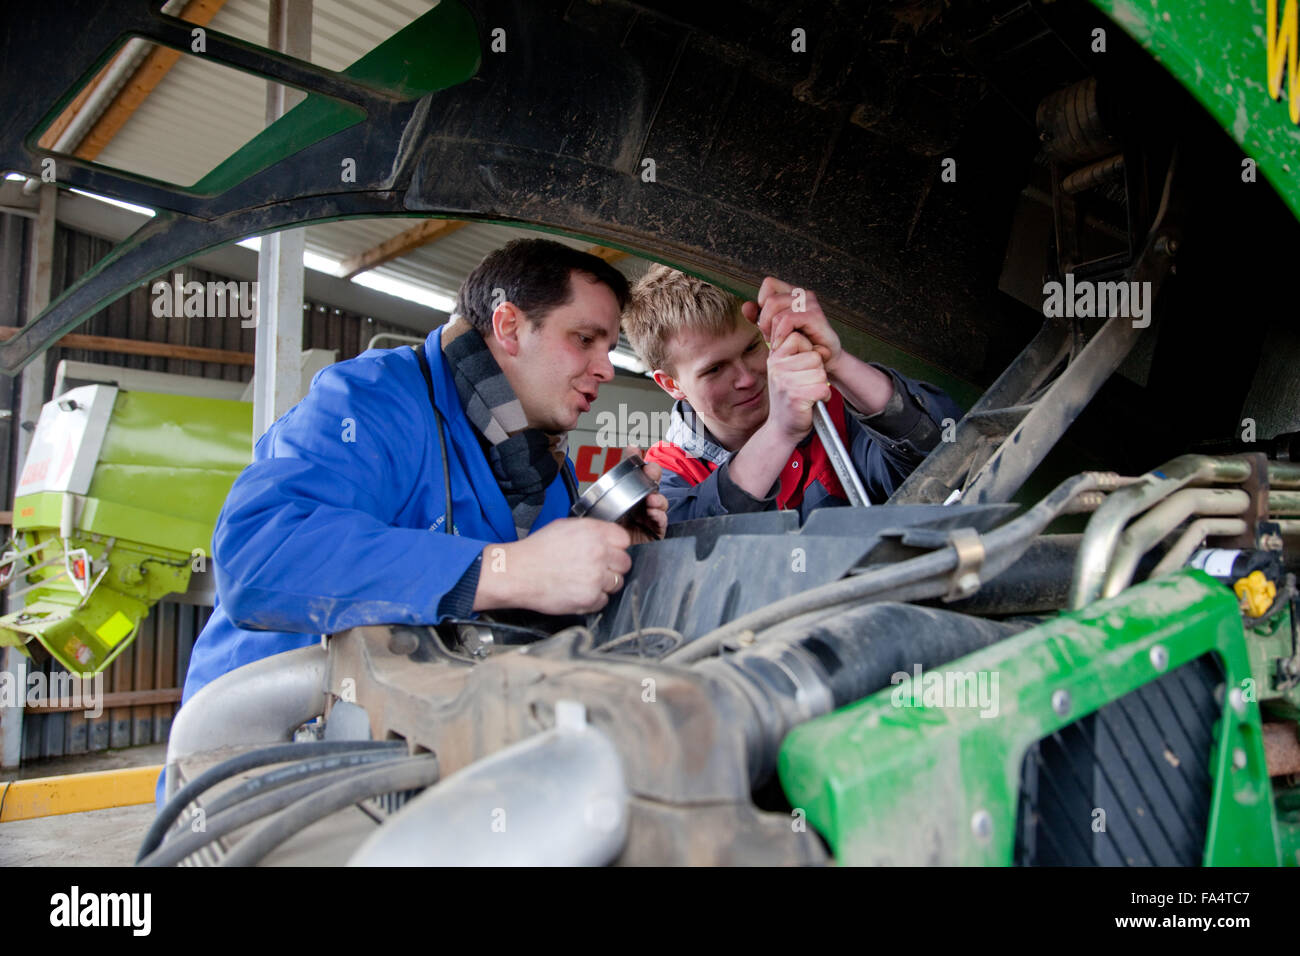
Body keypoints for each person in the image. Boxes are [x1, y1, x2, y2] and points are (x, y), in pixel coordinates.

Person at [178, 238, 668, 707]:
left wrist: (617, 552)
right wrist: (505, 569)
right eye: (585, 339)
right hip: (266, 750)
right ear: (509, 326)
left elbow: (532, 617)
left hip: (423, 747)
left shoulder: (544, 470)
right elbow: (260, 557)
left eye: (608, 348)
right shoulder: (370, 402)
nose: (606, 368)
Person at [620, 265, 962, 522]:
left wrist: (838, 362)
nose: (747, 378)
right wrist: (779, 433)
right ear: (671, 384)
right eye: (715, 369)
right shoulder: (665, 478)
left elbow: (947, 457)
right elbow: (690, 555)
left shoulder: (836, 411)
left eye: (752, 347)